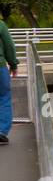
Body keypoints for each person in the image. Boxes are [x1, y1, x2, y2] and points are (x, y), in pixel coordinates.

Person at [0, 16, 16, 145]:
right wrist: (13, 64)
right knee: (4, 97)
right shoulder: (0, 24)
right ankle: (1, 131)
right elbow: (9, 46)